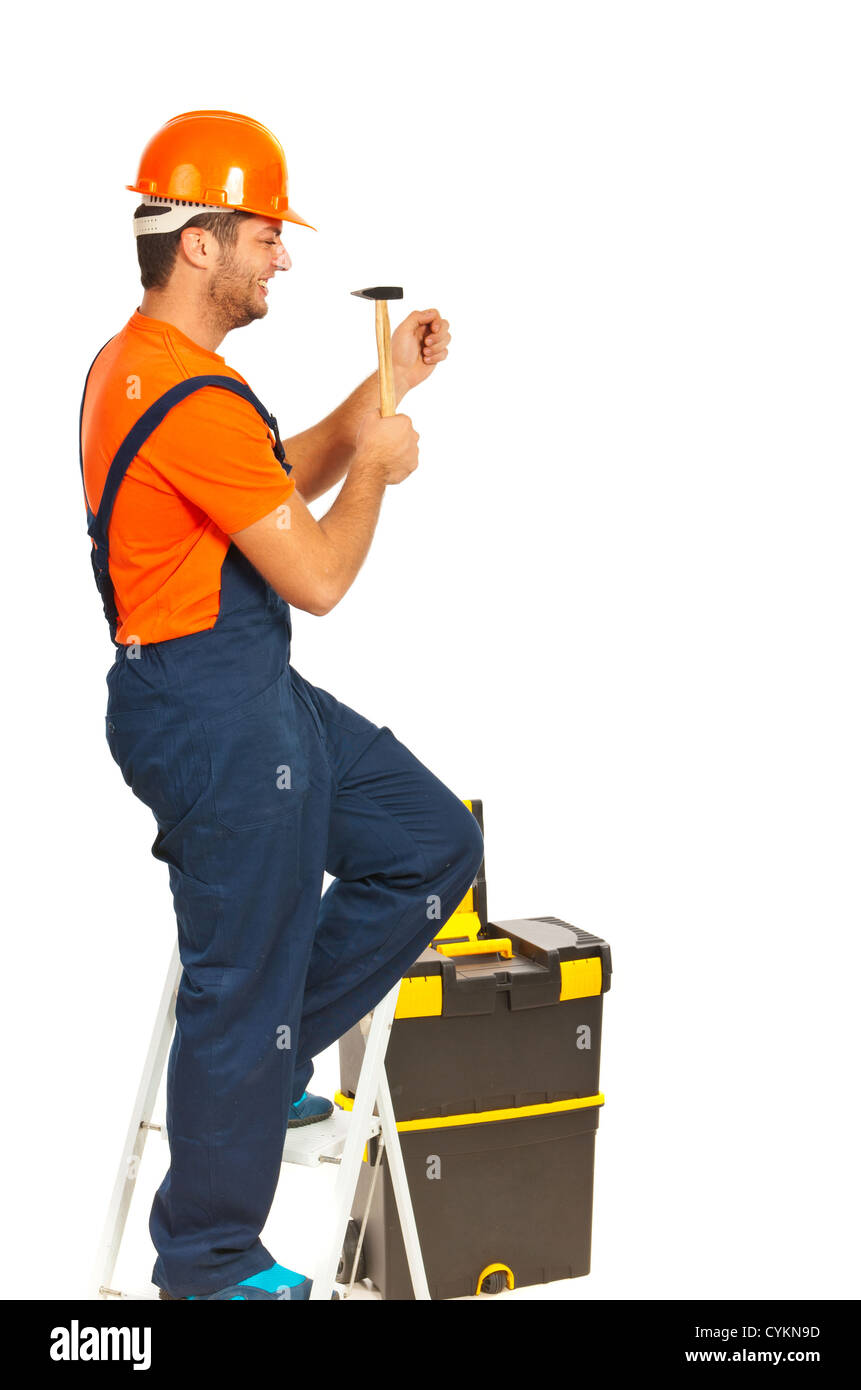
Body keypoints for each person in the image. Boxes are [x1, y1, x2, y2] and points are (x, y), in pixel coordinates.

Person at [79, 110, 484, 1302]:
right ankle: (205, 1260)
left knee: (428, 843)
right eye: (265, 234)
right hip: (207, 705)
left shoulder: (156, 367)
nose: (285, 258)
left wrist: (384, 387)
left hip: (242, 684)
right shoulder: (183, 391)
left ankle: (256, 1059)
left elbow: (275, 477)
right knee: (238, 970)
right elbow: (313, 575)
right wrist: (381, 469)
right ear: (198, 244)